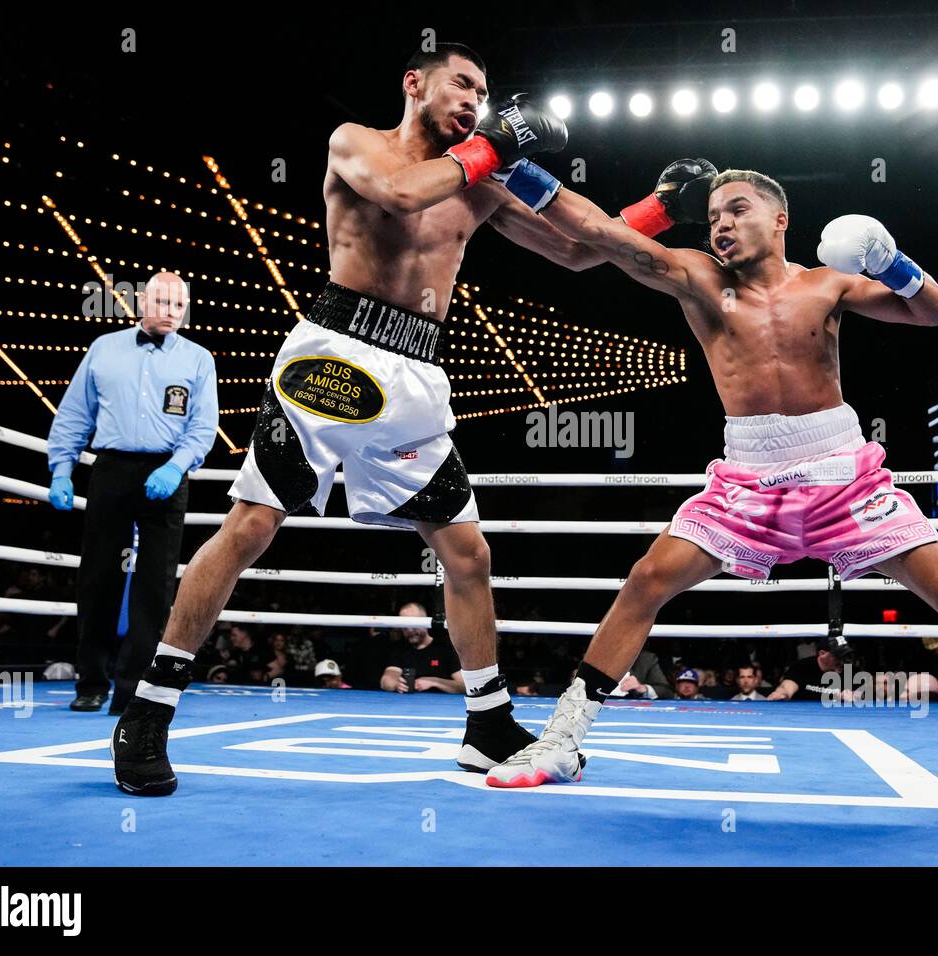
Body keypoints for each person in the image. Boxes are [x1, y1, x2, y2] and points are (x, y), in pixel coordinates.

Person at [111, 43, 629, 795]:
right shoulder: (357, 142)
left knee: (467, 552)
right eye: (462, 84)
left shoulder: (481, 177)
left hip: (417, 371)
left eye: (483, 93)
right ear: (414, 83)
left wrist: (658, 210)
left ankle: (486, 723)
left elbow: (581, 252)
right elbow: (400, 194)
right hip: (333, 355)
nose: (473, 100)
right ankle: (149, 711)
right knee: (252, 526)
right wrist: (493, 144)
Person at [488, 165, 938, 793]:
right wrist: (516, 167)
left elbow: (934, 313)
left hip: (846, 478)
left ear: (780, 219)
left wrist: (891, 262)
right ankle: (561, 741)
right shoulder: (697, 278)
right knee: (646, 581)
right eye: (715, 215)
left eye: (737, 209)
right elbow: (599, 231)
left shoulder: (827, 285)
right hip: (748, 482)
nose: (721, 223)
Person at [47, 271, 217, 715]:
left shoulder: (199, 359)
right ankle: (91, 681)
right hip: (111, 468)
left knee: (156, 586)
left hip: (168, 470)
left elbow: (202, 428)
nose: (170, 313)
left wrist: (176, 466)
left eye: (179, 306)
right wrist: (61, 469)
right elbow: (74, 414)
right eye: (162, 303)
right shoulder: (105, 348)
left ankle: (132, 688)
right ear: (142, 302)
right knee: (98, 575)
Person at [380, 602, 464, 694]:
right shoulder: (400, 648)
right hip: (406, 705)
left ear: (424, 622)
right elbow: (387, 678)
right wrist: (396, 683)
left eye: (413, 625)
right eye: (405, 626)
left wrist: (434, 682)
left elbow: (464, 686)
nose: (410, 630)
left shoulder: (445, 648)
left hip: (442, 706)